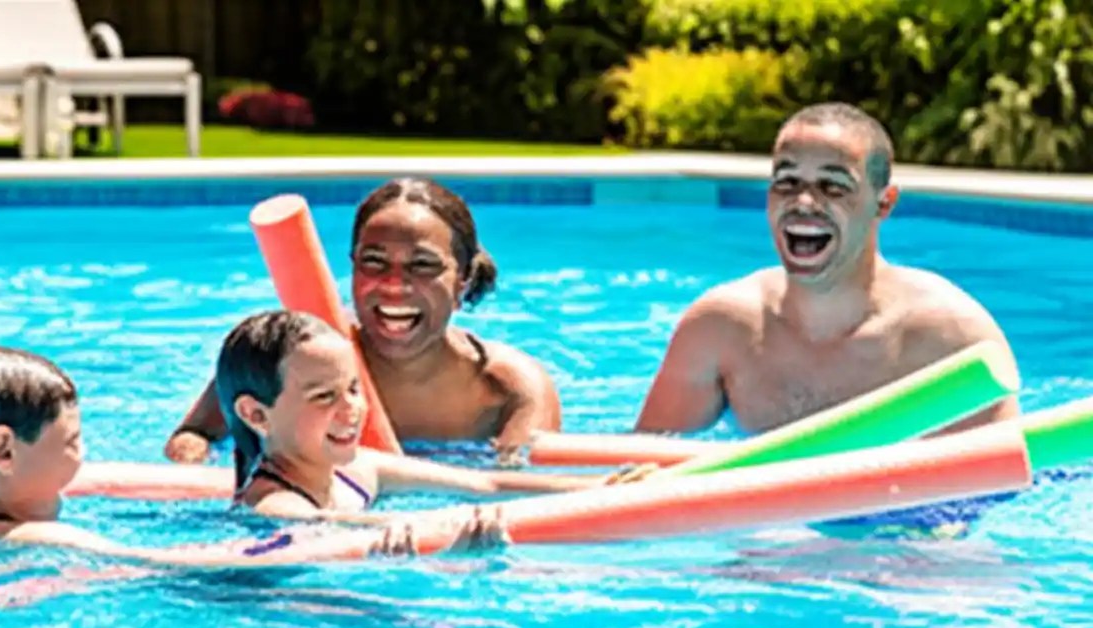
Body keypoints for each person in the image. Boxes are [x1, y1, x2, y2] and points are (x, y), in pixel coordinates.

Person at [0, 344, 506, 567]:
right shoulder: (34, 541)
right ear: (4, 451)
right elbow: (205, 565)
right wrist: (406, 542)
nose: (80, 461)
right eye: (72, 444)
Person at [635, 102, 1020, 436]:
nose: (803, 202)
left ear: (884, 204)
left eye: (833, 187)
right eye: (786, 182)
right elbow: (640, 469)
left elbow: (994, 488)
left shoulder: (950, 339)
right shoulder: (720, 329)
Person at [165, 178, 561, 465]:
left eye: (422, 266)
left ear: (462, 282)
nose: (393, 286)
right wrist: (198, 466)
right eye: (374, 262)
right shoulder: (297, 356)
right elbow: (193, 434)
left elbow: (519, 490)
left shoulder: (510, 389)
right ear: (352, 268)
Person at [116, 311, 650, 522]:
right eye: (324, 397)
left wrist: (600, 486)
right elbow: (342, 530)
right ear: (256, 413)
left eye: (354, 387)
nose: (352, 409)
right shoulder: (276, 504)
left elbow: (483, 483)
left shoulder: (356, 469)